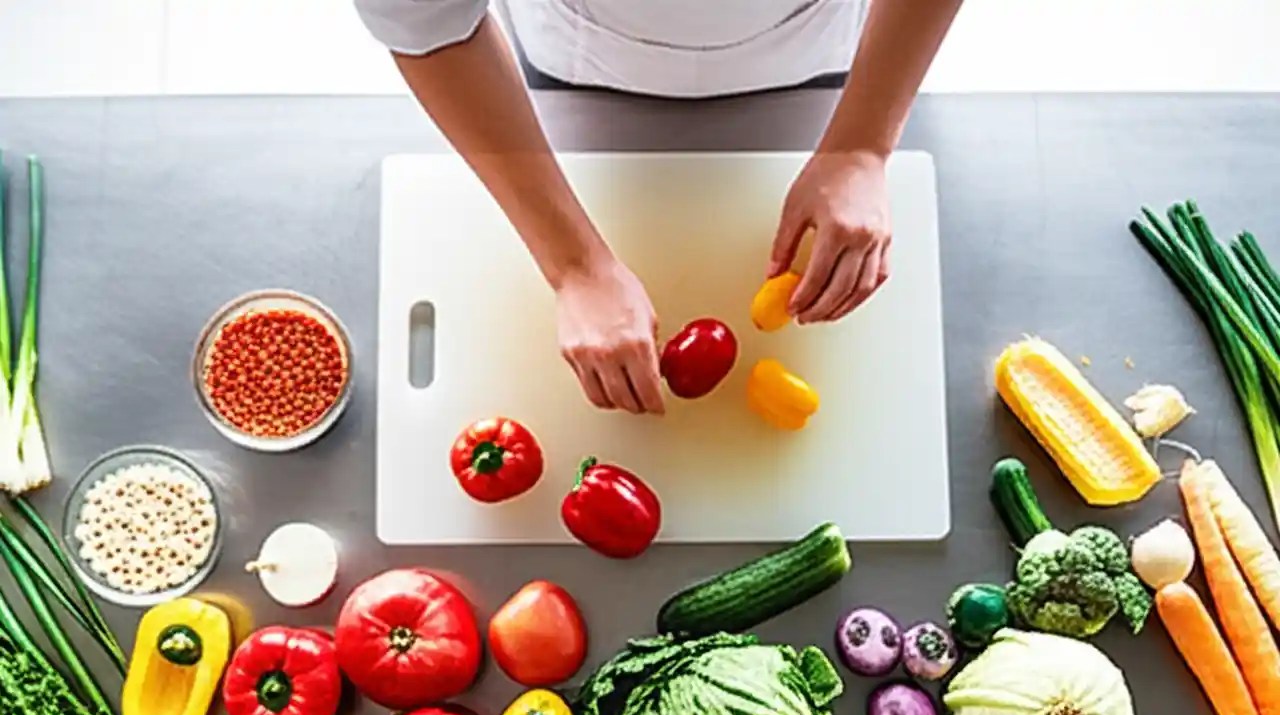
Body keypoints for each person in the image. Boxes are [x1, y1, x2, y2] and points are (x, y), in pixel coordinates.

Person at [355, 0, 964, 415]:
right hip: (583, 57)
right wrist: (574, 266)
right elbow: (424, 20)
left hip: (826, 49)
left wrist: (863, 144)